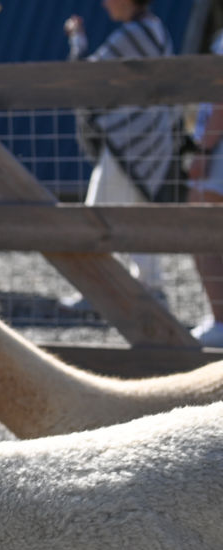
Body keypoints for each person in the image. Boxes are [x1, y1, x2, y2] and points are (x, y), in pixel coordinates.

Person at [63, 0, 178, 312]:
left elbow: (91, 76)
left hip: (129, 140)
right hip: (146, 137)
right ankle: (148, 289)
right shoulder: (153, 30)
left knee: (99, 211)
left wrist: (78, 42)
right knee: (136, 211)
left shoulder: (134, 35)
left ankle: (100, 290)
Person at [188, 27, 223, 347]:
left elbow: (220, 101)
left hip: (220, 153)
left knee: (202, 231)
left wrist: (204, 149)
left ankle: (220, 320)